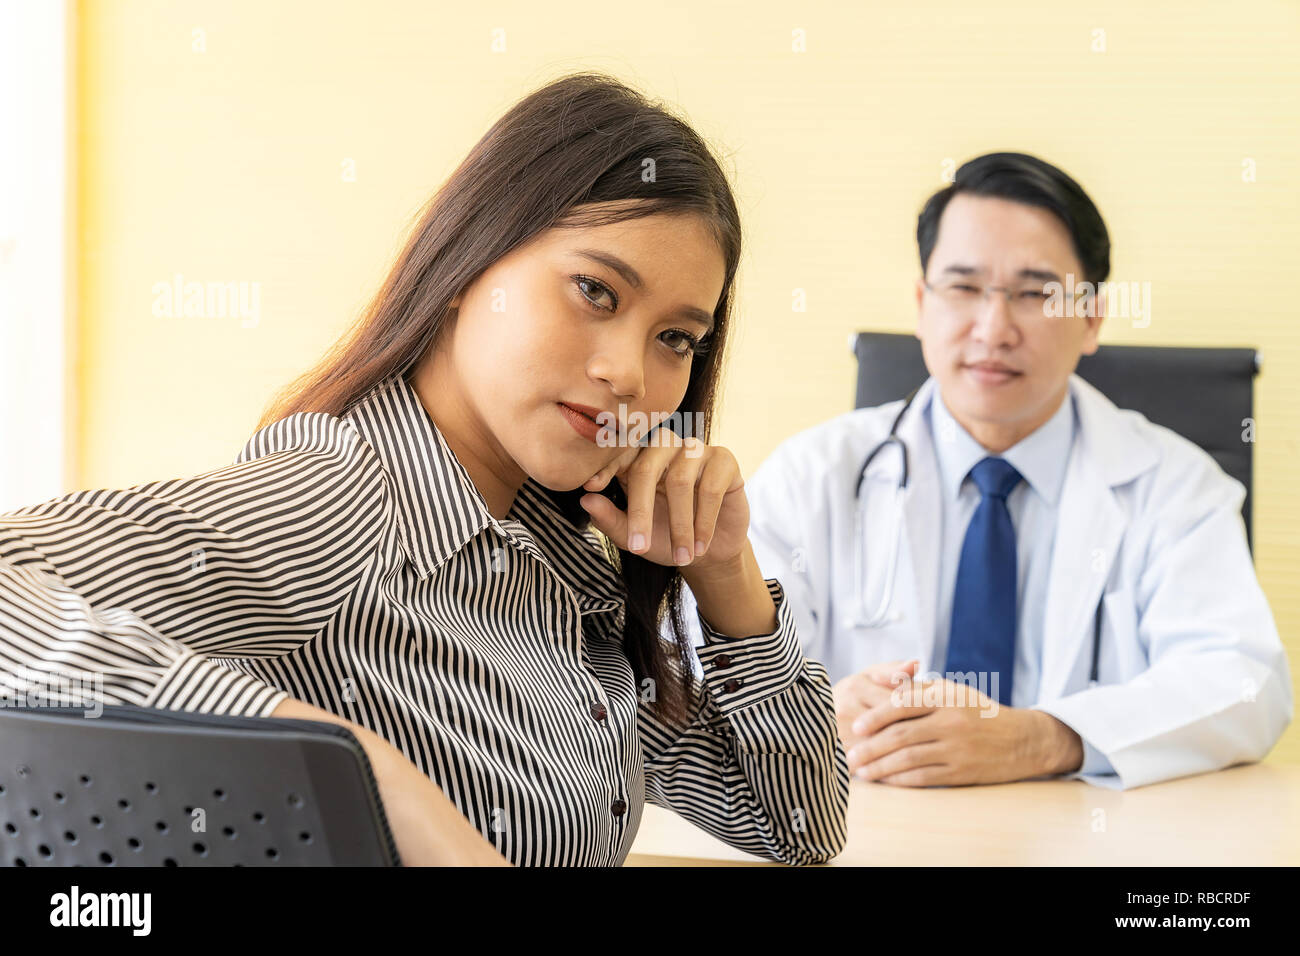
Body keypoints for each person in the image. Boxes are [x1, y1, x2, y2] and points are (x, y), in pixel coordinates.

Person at [0, 72, 849, 866]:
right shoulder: (340, 497)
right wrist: (353, 768)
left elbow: (801, 825)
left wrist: (725, 575)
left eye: (675, 338)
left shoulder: (557, 566)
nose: (630, 373)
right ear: (469, 263)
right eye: (596, 291)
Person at [682, 152, 1291, 791]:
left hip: (1089, 834)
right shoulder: (816, 473)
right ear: (923, 304)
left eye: (1035, 294)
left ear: (1091, 318)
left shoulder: (1175, 485)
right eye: (964, 288)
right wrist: (812, 711)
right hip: (866, 825)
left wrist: (1039, 738)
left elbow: (1247, 683)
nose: (994, 330)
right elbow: (697, 666)